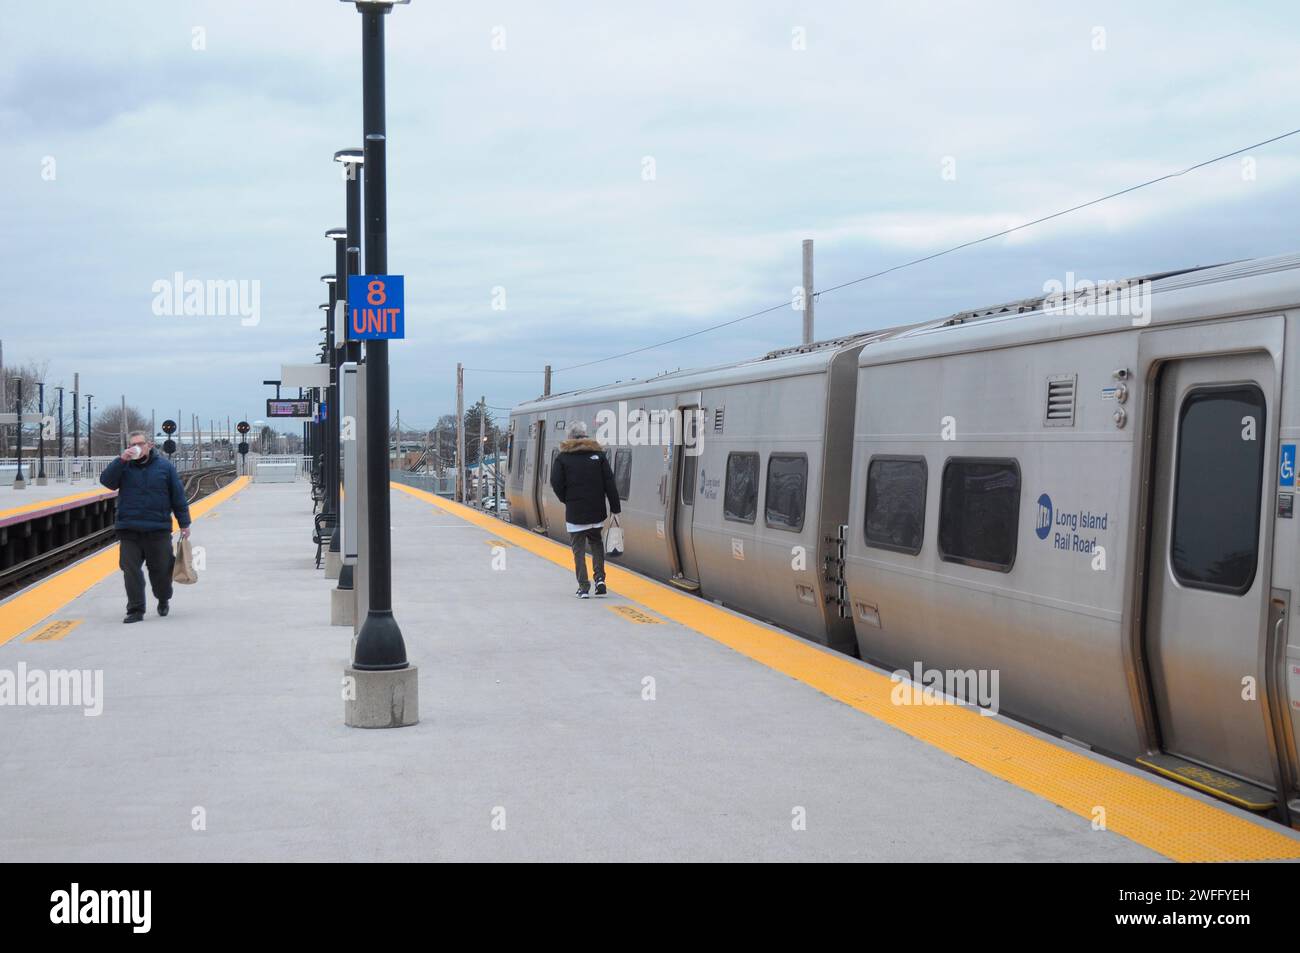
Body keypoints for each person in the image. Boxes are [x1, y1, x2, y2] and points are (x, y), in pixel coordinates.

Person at [100, 430, 191, 623]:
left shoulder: (165, 468)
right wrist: (121, 460)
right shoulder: (124, 467)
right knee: (130, 570)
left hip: (158, 529)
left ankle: (163, 598)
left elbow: (178, 497)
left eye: (141, 444)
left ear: (149, 445)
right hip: (129, 529)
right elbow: (107, 482)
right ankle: (135, 609)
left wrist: (184, 523)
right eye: (133, 444)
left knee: (161, 570)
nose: (137, 447)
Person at [549, 421, 620, 598]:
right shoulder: (598, 456)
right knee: (596, 543)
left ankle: (583, 586)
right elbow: (609, 483)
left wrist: (567, 500)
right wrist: (615, 508)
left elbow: (556, 483)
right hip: (596, 510)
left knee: (578, 549)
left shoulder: (562, 458)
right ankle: (600, 580)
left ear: (570, 437)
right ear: (585, 435)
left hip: (575, 512)